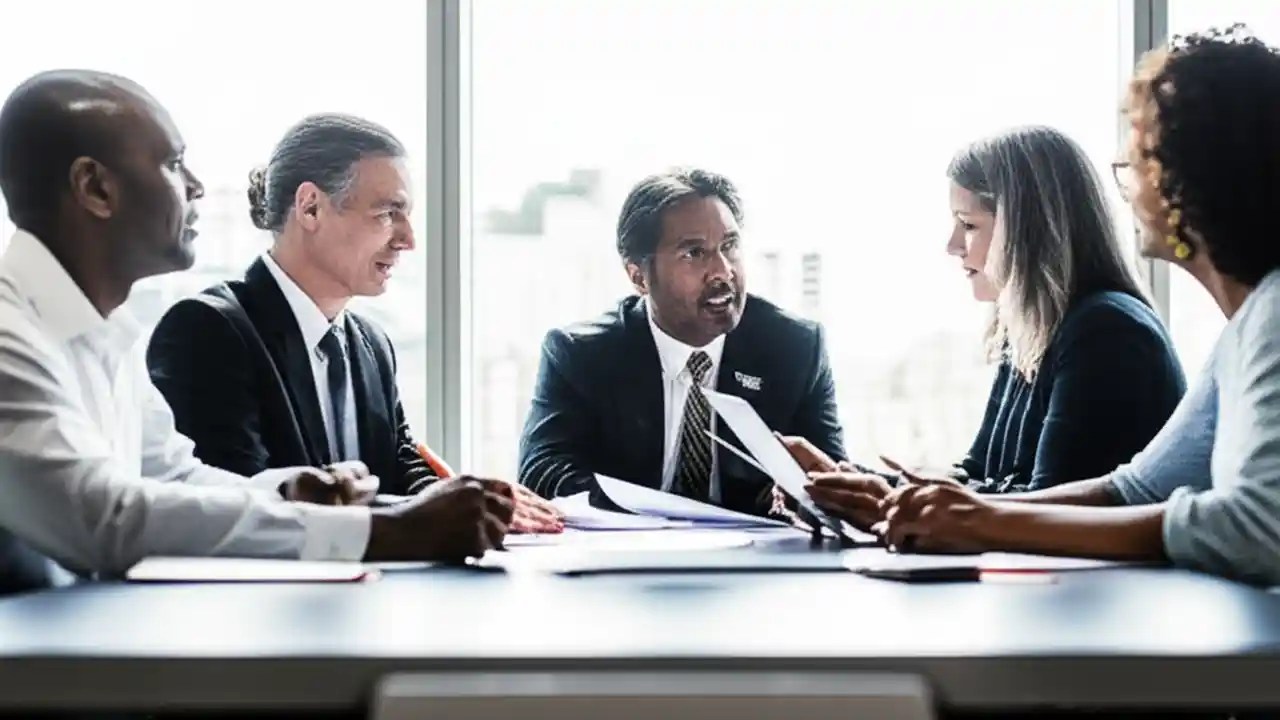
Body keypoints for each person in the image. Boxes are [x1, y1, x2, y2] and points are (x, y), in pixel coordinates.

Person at [0, 70, 512, 580]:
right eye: (174, 164)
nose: (197, 186)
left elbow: (173, 476)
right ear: (95, 187)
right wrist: (390, 533)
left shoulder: (105, 333)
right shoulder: (9, 331)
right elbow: (105, 518)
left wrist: (292, 492)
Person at [856, 26, 1280, 586]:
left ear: (1191, 179)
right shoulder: (1248, 327)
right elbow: (1133, 490)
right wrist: (915, 507)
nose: (1128, 188)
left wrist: (983, 523)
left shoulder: (1266, 316)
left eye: (1140, 163)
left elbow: (1257, 528)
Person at [146, 114, 561, 533]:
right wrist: (421, 515)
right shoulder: (207, 330)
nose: (408, 239)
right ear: (310, 207)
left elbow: (399, 463)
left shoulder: (371, 343)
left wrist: (470, 496)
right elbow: (239, 500)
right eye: (388, 213)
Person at [785, 125, 1186, 530]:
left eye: (969, 225)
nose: (952, 245)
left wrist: (885, 498)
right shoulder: (1031, 331)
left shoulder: (1107, 332)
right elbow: (979, 477)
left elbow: (1047, 509)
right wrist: (851, 483)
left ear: (1027, 230)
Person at [518, 168, 845, 516]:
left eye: (730, 246)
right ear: (639, 277)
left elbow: (837, 480)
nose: (722, 271)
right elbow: (542, 473)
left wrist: (804, 496)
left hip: (753, 561)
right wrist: (657, 513)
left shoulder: (795, 349)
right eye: (694, 253)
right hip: (630, 556)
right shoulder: (581, 354)